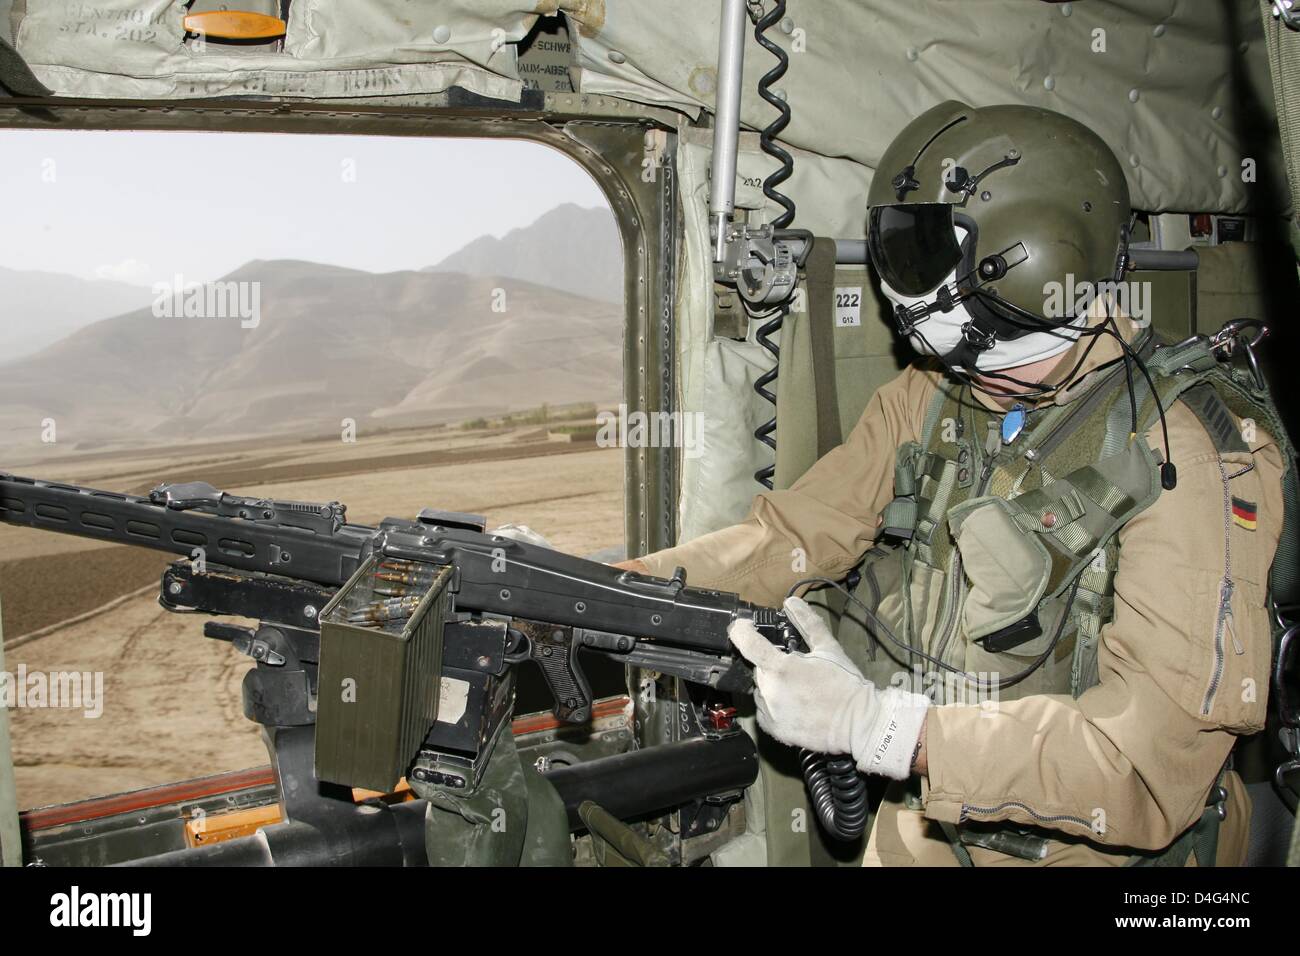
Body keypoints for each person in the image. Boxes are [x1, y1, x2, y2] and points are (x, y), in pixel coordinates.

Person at [618, 101, 1290, 865]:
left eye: (991, 359)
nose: (964, 376)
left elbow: (1145, 766)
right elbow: (794, 536)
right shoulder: (934, 396)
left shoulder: (1193, 453)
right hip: (932, 821)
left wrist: (891, 732)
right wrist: (607, 588)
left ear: (1043, 265)